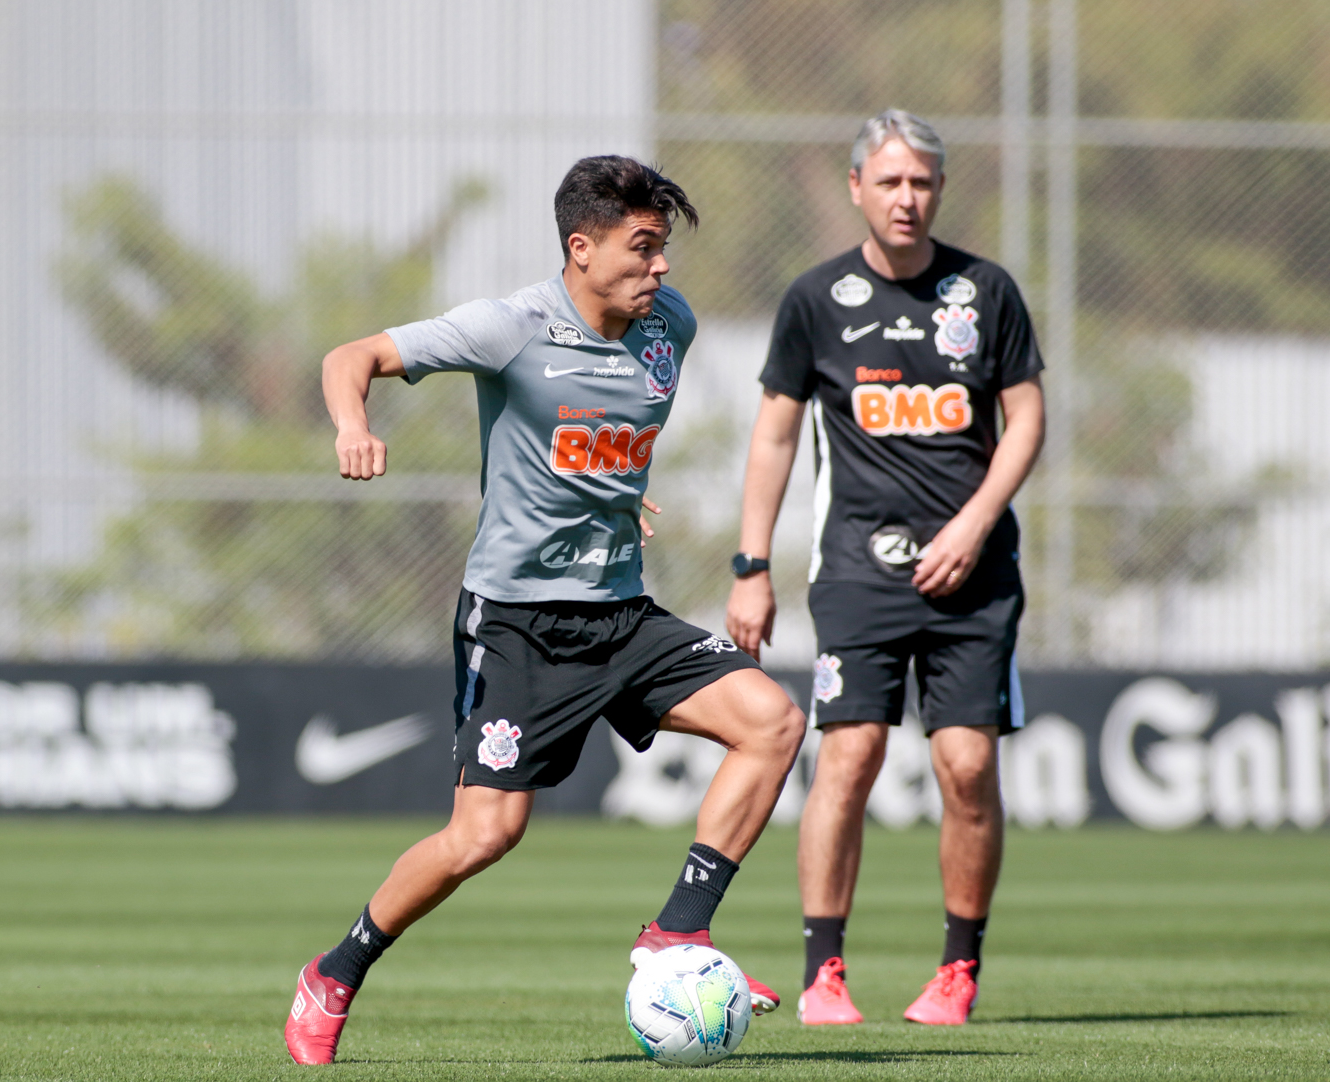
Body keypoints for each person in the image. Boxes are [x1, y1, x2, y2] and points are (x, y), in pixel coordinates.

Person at [284, 156, 806, 1065]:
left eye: (664, 249)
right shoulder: (512, 327)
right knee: (484, 835)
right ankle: (335, 970)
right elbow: (350, 357)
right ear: (581, 247)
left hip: (623, 614)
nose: (662, 270)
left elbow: (599, 439)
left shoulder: (666, 328)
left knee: (773, 720)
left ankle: (677, 932)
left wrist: (610, 491)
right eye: (642, 249)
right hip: (520, 624)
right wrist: (352, 425)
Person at [725, 110, 1046, 1027]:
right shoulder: (816, 300)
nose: (908, 199)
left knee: (965, 766)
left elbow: (1025, 418)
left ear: (939, 192)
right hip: (857, 571)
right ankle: (825, 974)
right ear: (856, 186)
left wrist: (976, 521)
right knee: (850, 756)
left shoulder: (986, 292)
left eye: (923, 183)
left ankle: (958, 973)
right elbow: (776, 434)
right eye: (892, 181)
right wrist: (752, 563)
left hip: (974, 575)